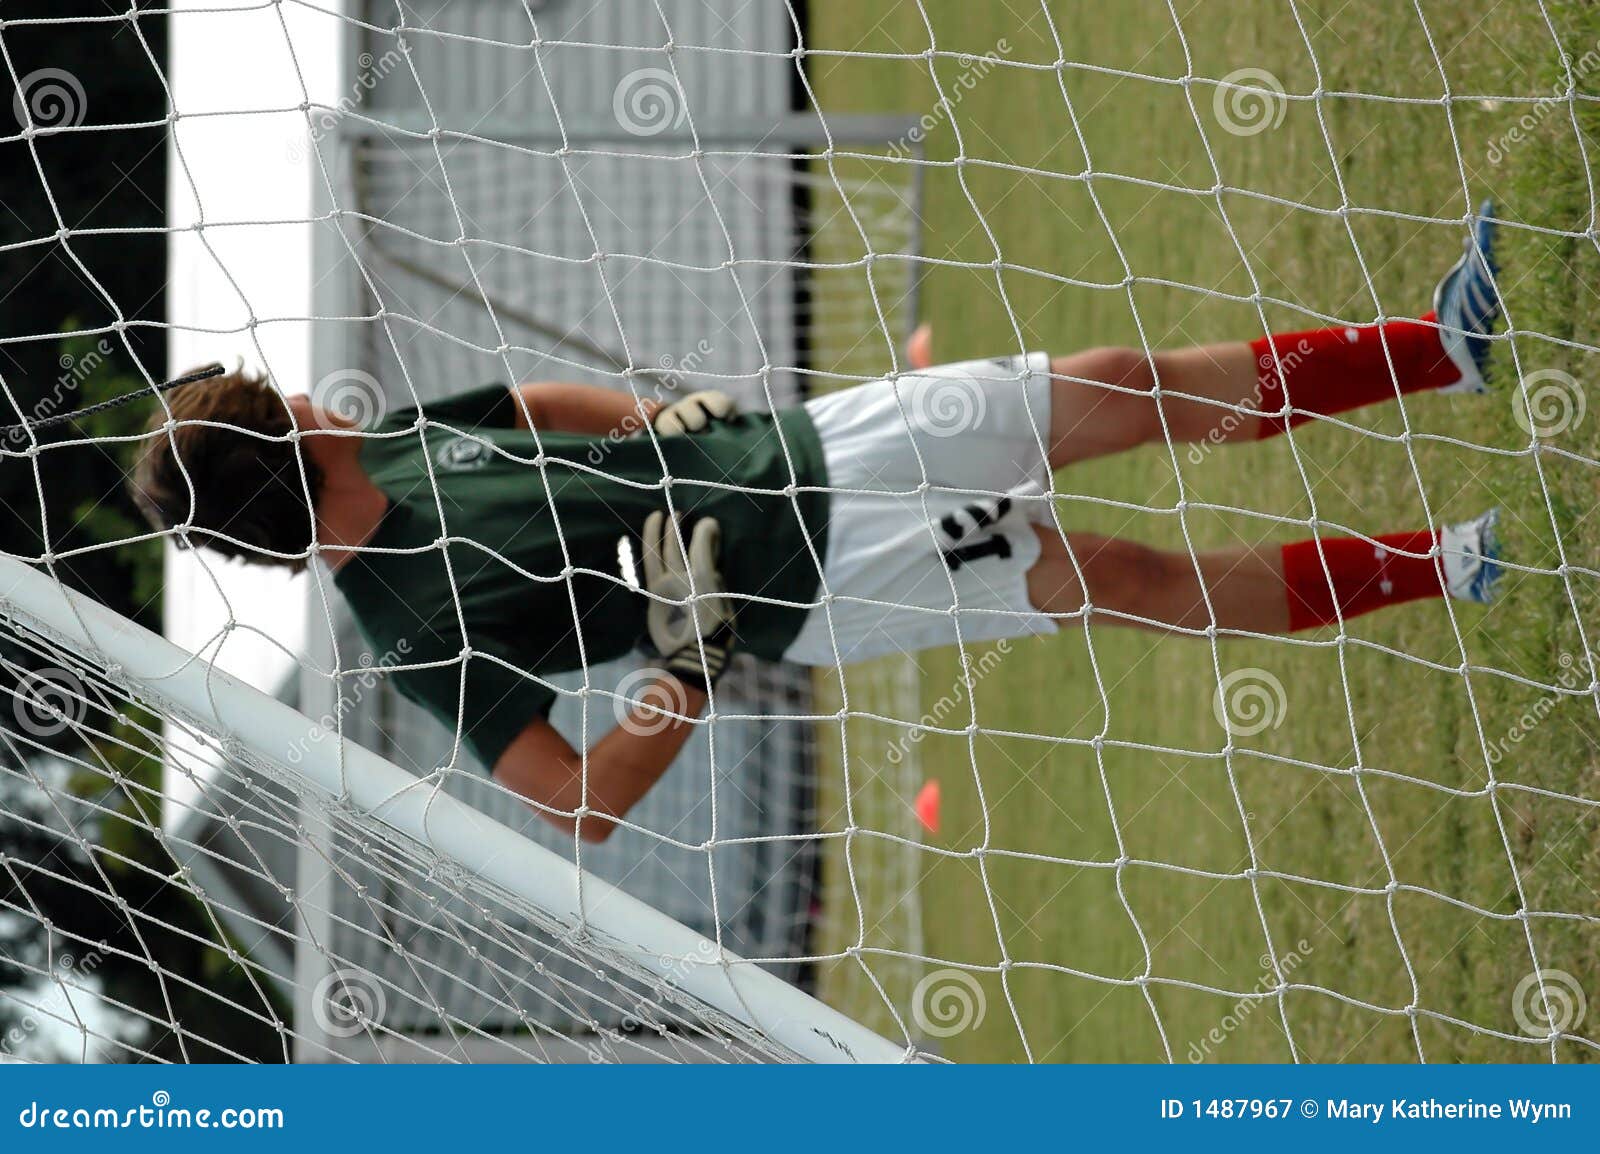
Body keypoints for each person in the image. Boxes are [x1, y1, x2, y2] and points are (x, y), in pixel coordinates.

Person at [130, 204, 1505, 843]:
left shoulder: (395, 437)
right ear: (282, 454)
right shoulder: (407, 629)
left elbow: (533, 399)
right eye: (282, 402)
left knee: (1121, 386)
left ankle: (1440, 345)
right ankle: (1449, 563)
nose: (310, 392)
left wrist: (653, 417)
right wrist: (684, 665)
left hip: (818, 441)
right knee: (1135, 574)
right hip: (833, 576)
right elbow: (573, 802)